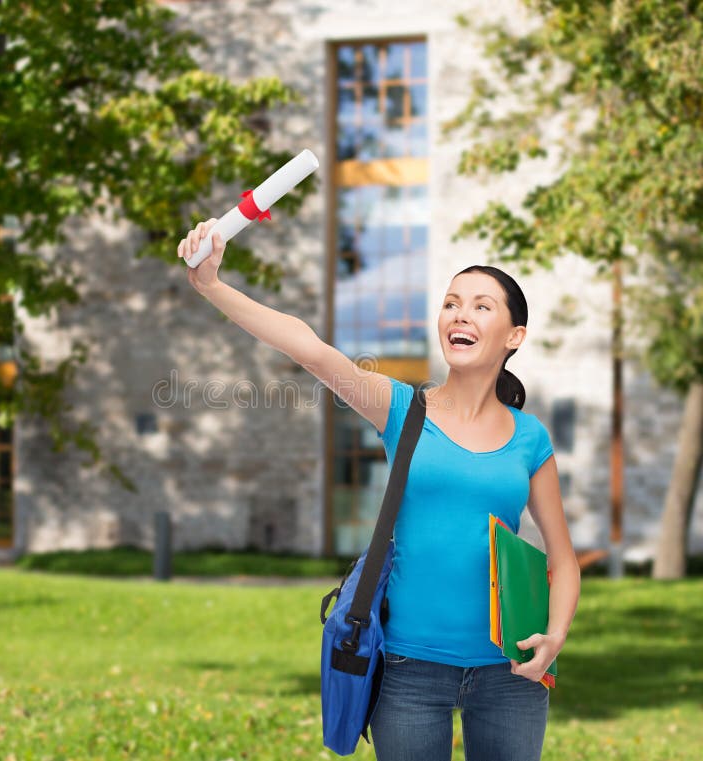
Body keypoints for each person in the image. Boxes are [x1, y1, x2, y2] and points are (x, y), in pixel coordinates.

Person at [178, 219, 580, 761]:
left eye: (482, 306)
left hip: (510, 673)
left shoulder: (530, 438)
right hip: (409, 671)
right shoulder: (401, 408)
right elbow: (312, 349)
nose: (460, 314)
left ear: (514, 337)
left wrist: (554, 636)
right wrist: (211, 285)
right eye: (451, 303)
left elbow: (564, 560)